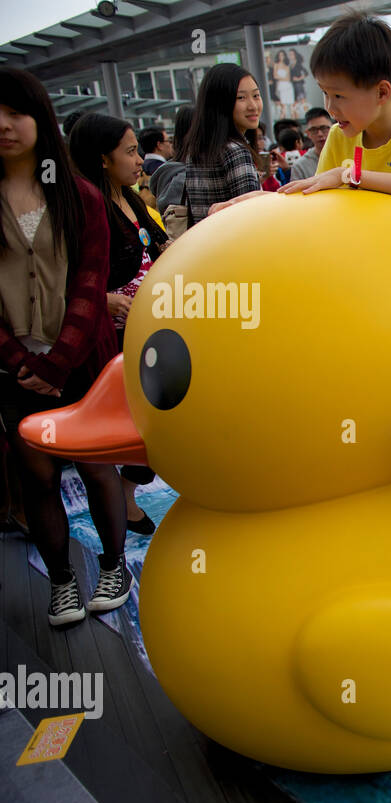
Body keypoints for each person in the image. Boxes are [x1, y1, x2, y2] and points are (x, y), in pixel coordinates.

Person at [0, 67, 131, 626]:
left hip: (82, 360)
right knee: (38, 477)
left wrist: (56, 363)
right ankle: (61, 584)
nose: (3, 126)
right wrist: (20, 361)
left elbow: (89, 282)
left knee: (99, 466)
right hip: (14, 370)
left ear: (40, 119)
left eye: (15, 113)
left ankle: (113, 566)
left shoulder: (78, 197)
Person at [68, 114, 168, 537]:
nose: (139, 159)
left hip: (153, 328)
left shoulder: (133, 200)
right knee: (137, 424)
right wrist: (101, 299)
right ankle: (122, 501)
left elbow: (163, 248)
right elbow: (71, 272)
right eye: (129, 151)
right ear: (102, 159)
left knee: (159, 423)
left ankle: (128, 491)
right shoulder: (85, 207)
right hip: (116, 339)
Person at [279, 12, 391, 209]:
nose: (330, 108)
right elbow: (318, 199)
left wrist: (347, 175)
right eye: (325, 93)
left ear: (382, 93)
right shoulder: (337, 136)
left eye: (339, 96)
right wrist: (267, 202)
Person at [177, 63, 264, 223]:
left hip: (209, 244)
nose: (253, 106)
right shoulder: (235, 150)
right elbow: (254, 214)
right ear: (220, 103)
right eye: (241, 98)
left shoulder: (198, 149)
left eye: (256, 95)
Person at [291, 107, 332, 181]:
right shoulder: (300, 166)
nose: (320, 134)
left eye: (324, 128)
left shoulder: (346, 156)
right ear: (308, 133)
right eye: (314, 130)